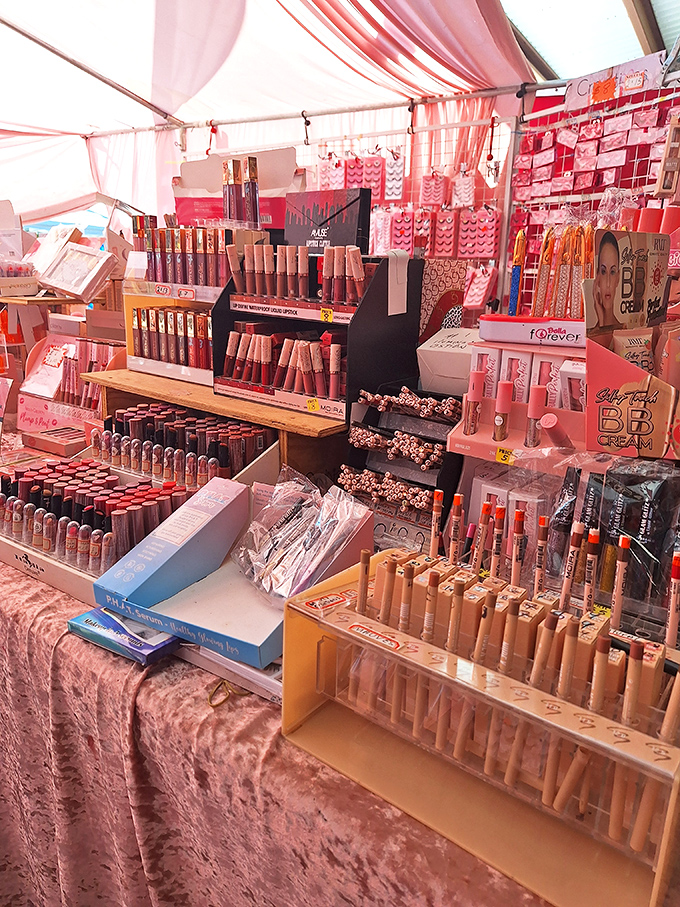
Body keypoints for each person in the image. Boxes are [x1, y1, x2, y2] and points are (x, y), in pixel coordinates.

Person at [593, 231, 622, 329]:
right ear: (598, 276)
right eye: (603, 271)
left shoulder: (625, 330)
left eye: (613, 272)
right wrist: (601, 322)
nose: (608, 283)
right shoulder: (590, 332)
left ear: (618, 278)